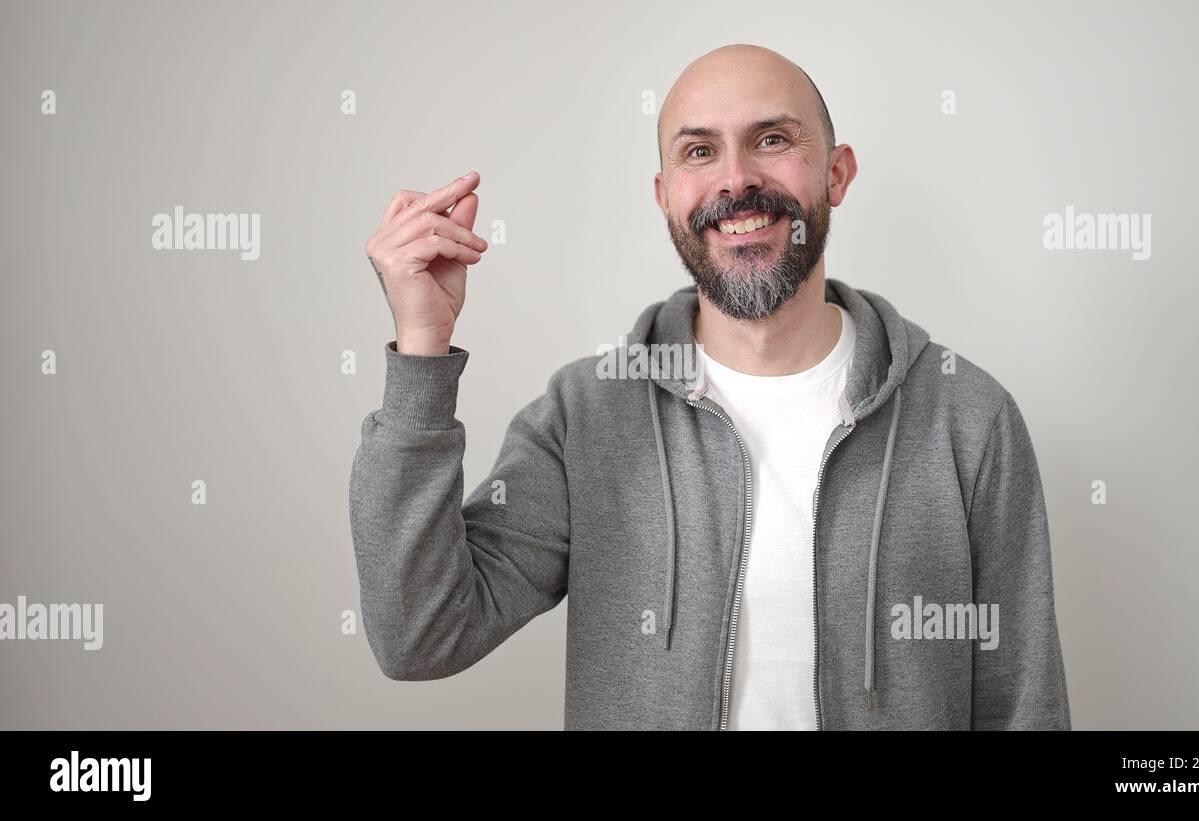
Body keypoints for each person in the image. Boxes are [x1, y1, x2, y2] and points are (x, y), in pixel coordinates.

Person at [350, 44, 1070, 730]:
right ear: (666, 196)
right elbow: (421, 634)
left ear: (837, 174)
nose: (735, 181)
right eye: (700, 151)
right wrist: (421, 350)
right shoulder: (587, 414)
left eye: (772, 139)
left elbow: (1023, 703)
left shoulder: (968, 417)